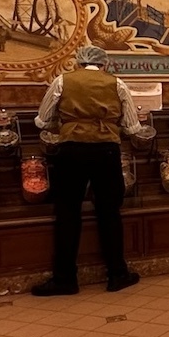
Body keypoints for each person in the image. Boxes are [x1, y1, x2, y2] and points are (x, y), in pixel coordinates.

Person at [31, 45, 145, 296]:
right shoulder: (117, 84)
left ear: (78, 63)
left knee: (68, 212)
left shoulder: (63, 81)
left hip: (71, 150)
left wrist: (67, 123)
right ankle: (117, 274)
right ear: (104, 64)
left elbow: (42, 120)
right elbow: (132, 126)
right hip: (106, 150)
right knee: (109, 212)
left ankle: (65, 279)